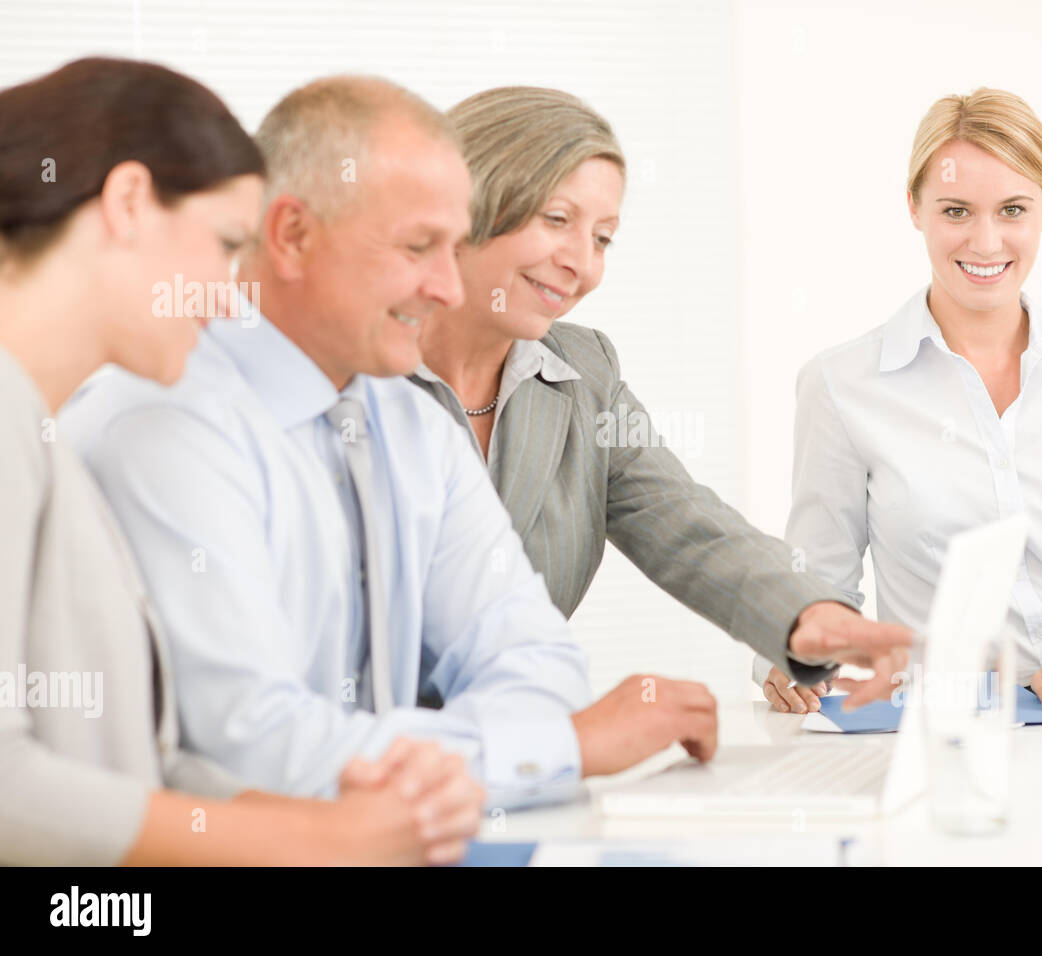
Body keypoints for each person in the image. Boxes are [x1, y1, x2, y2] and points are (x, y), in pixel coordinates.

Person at [61, 75, 719, 811]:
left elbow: (534, 660)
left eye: (456, 246)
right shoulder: (165, 425)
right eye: (418, 247)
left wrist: (489, 756)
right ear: (292, 236)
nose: (447, 286)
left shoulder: (409, 425)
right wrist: (559, 749)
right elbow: (254, 748)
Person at [0, 57, 481, 865]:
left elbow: (126, 763)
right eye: (225, 245)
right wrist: (314, 839)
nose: (228, 298)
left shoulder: (46, 442)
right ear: (127, 204)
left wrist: (342, 808)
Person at [409, 87, 912, 716]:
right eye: (558, 220)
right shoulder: (357, 376)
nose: (581, 265)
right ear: (469, 197)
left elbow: (686, 526)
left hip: (516, 763)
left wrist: (806, 615)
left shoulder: (583, 372)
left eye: (603, 239)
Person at [758, 87, 1042, 710]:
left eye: (1012, 209)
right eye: (956, 211)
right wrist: (792, 651)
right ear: (914, 208)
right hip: (932, 737)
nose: (985, 242)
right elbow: (819, 584)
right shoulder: (842, 385)